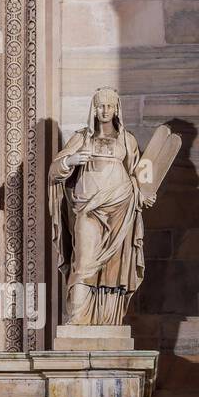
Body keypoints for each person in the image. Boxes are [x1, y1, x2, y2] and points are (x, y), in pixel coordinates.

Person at [48, 87, 155, 325]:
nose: (104, 110)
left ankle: (107, 320)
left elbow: (137, 175)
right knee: (84, 262)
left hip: (121, 208)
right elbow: (54, 172)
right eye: (100, 106)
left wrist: (142, 195)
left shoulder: (127, 140)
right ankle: (77, 319)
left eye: (109, 106)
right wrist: (70, 160)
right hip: (88, 208)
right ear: (93, 109)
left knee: (113, 267)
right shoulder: (82, 137)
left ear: (117, 109)